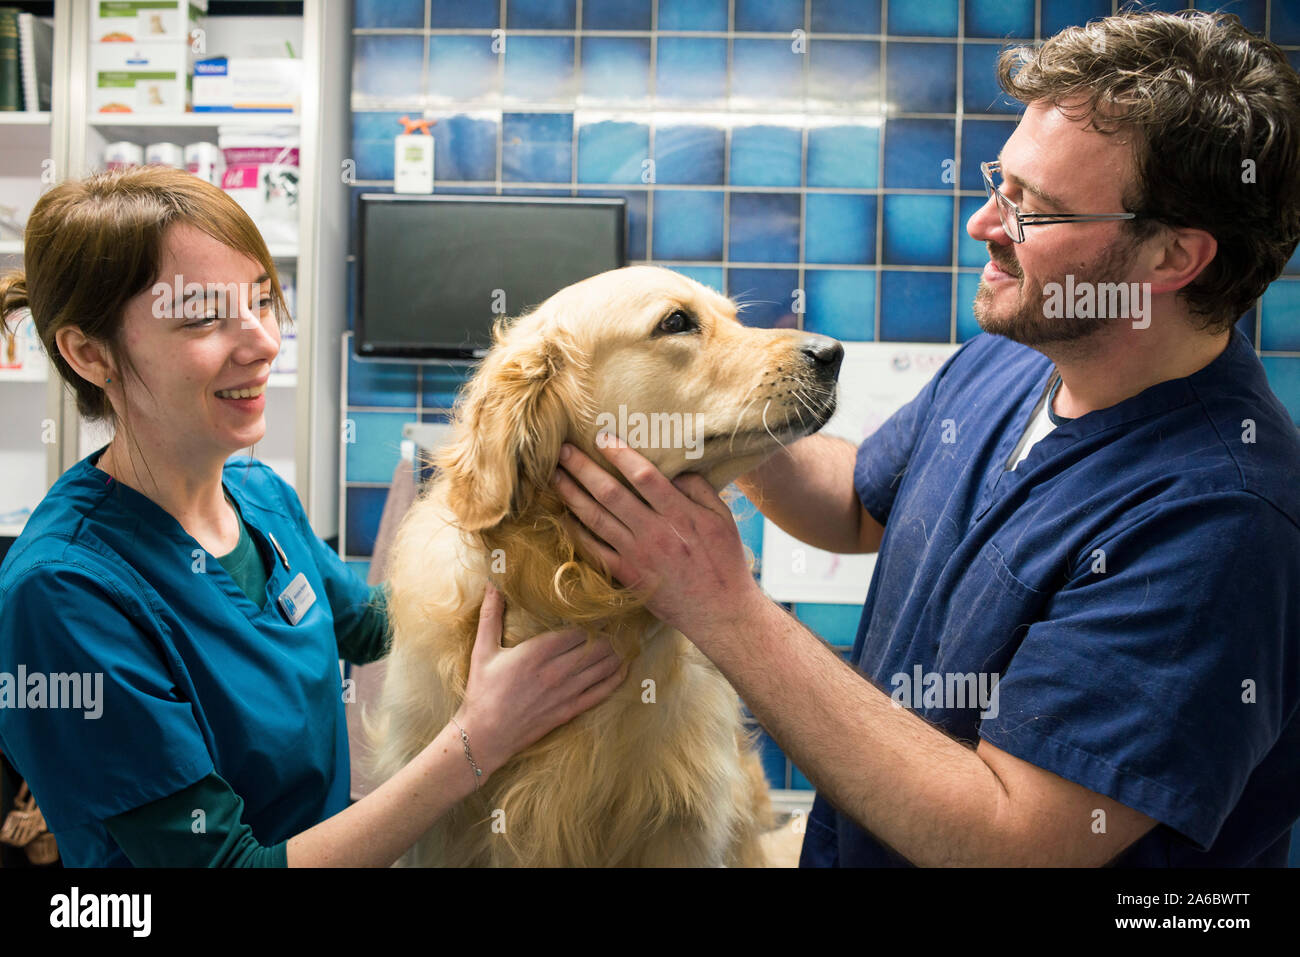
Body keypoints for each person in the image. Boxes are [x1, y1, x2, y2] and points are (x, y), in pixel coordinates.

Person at [554, 9, 1300, 866]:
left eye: (1037, 210)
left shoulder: (1221, 521)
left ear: (1172, 259)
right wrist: (727, 405)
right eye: (1002, 183)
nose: (986, 224)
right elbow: (855, 506)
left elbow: (1011, 839)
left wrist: (723, 606)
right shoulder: (1026, 356)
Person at [0, 166, 627, 867]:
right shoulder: (65, 593)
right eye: (204, 315)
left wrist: (554, 543)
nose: (264, 341)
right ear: (90, 354)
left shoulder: (261, 499)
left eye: (263, 300)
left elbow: (376, 622)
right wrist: (476, 742)